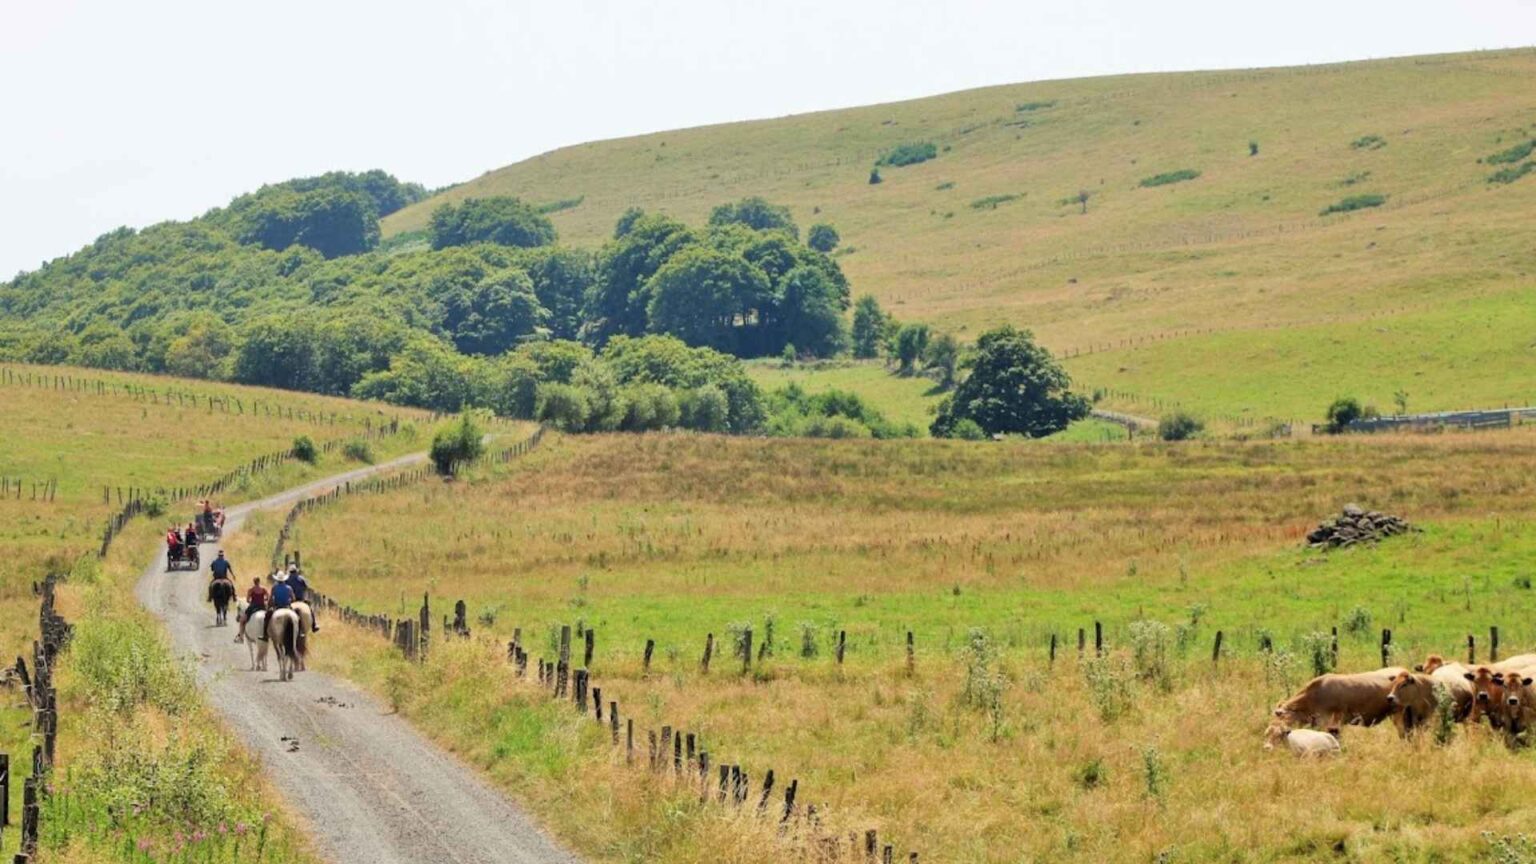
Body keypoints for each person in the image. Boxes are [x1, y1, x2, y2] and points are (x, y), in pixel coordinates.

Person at [261, 569, 294, 642]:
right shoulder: (289, 588)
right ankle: (300, 632)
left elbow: (271, 599)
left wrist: (269, 606)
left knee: (267, 617)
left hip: (277, 607)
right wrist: (288, 601)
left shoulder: (274, 587)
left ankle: (265, 635)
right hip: (287, 607)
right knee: (297, 617)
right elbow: (293, 599)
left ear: (277, 580)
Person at [235, 575, 268, 643]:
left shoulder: (251, 589)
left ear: (254, 582)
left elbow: (247, 600)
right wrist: (264, 600)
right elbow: (268, 596)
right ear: (259, 581)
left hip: (253, 606)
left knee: (242, 621)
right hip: (262, 606)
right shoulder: (263, 589)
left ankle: (241, 637)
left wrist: (251, 601)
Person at [287, 563, 318, 632]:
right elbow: (307, 587)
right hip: (300, 599)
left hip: (291, 600)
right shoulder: (301, 578)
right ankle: (314, 625)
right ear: (296, 571)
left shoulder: (287, 579)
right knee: (310, 609)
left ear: (290, 571)